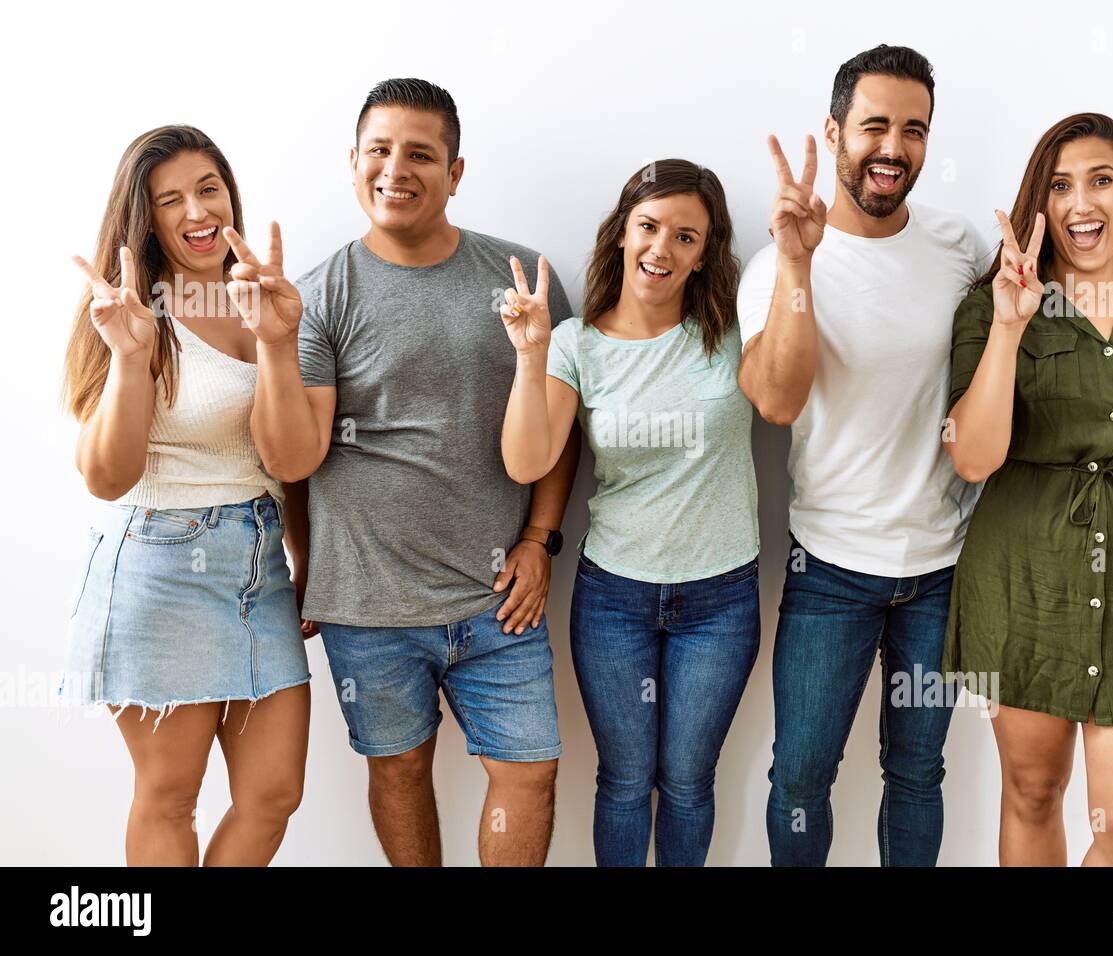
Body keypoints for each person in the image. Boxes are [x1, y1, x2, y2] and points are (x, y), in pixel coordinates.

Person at [238, 78, 578, 867]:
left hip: (500, 597)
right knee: (398, 772)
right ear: (352, 162)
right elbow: (294, 460)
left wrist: (540, 537)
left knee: (529, 772)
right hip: (368, 600)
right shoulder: (317, 296)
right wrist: (304, 559)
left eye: (421, 153)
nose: (397, 168)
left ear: (455, 172)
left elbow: (565, 431)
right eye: (380, 150)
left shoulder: (524, 279)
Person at [941, 112, 1113, 866]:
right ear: (1039, 205)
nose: (1080, 204)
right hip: (1021, 579)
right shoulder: (989, 306)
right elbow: (972, 458)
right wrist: (1010, 324)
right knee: (1032, 796)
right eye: (1060, 186)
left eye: (1101, 180)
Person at [737, 45, 986, 866]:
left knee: (917, 773)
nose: (893, 147)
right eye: (874, 125)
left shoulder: (959, 248)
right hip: (831, 571)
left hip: (942, 568)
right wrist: (801, 264)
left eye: (912, 129)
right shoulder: (776, 264)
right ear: (835, 131)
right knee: (801, 778)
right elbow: (775, 401)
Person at [59, 125, 311, 866]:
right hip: (158, 562)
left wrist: (275, 341)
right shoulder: (124, 310)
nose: (196, 212)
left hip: (259, 564)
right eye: (170, 199)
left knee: (273, 794)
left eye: (209, 188)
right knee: (170, 795)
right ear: (145, 217)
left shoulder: (264, 298)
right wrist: (132, 357)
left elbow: (291, 458)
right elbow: (106, 476)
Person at [500, 159, 760, 866]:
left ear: (705, 253)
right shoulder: (575, 343)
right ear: (621, 233)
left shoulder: (732, 332)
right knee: (621, 782)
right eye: (648, 227)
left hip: (722, 598)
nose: (661, 249)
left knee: (684, 783)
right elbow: (528, 461)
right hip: (614, 595)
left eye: (685, 237)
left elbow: (791, 388)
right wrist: (530, 356)